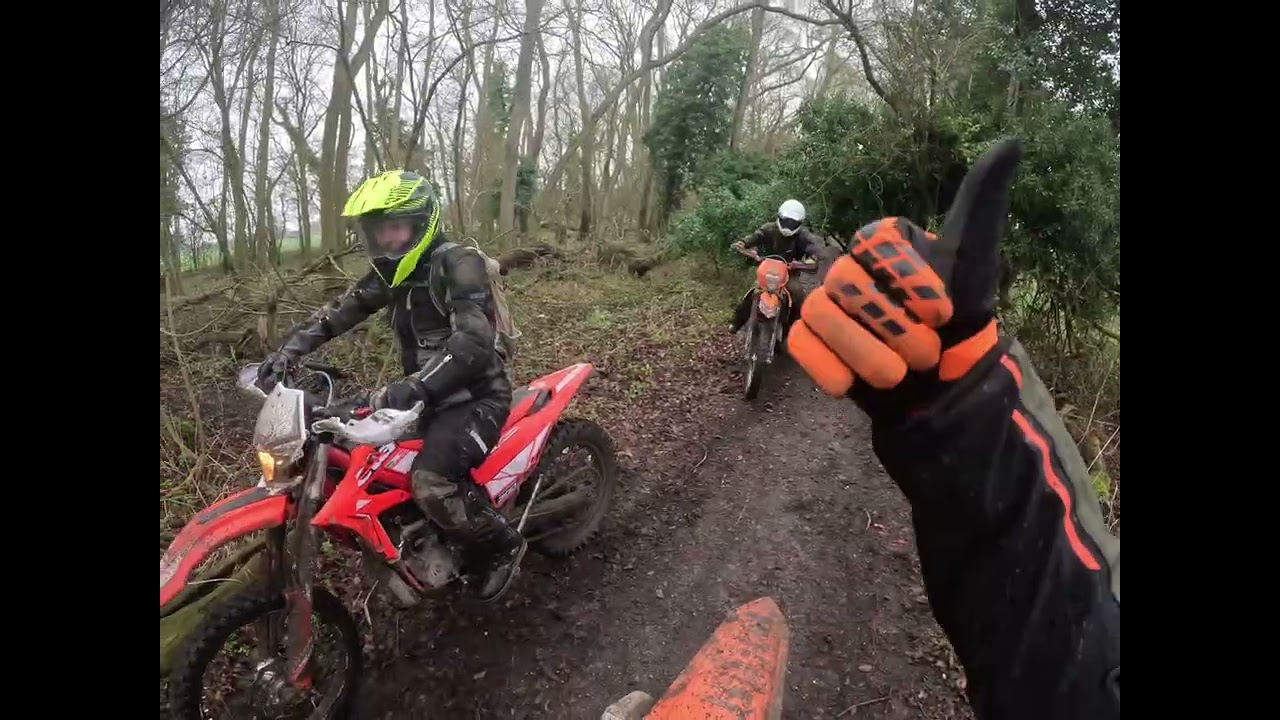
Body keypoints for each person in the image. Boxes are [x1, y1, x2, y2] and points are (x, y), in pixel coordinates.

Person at [785, 139, 1120, 720]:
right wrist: (967, 406)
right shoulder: (773, 232)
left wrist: (965, 406)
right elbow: (1076, 652)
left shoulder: (809, 238)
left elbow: (1078, 653)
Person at [256, 169, 525, 603]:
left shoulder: (459, 264)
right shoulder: (395, 271)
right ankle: (415, 541)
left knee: (432, 480)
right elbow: (343, 309)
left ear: (423, 223)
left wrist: (416, 389)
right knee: (347, 448)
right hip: (424, 394)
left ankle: (502, 545)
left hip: (475, 397)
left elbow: (473, 341)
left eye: (396, 227)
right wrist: (289, 351)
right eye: (380, 231)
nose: (388, 240)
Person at [728, 199, 831, 335]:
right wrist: (743, 243)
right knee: (752, 292)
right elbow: (756, 236)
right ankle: (736, 323)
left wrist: (813, 260)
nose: (788, 226)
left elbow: (816, 249)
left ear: (799, 223)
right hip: (767, 270)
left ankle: (793, 332)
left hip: (790, 274)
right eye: (786, 221)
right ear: (779, 217)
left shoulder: (804, 236)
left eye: (793, 223)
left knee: (798, 295)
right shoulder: (769, 229)